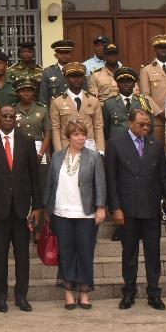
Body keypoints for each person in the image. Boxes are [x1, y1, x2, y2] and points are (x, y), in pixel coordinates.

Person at [104, 109, 166, 310]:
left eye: (148, 125)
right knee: (129, 254)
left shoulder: (155, 144)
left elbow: (163, 177)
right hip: (127, 209)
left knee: (153, 253)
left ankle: (154, 293)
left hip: (150, 208)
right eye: (141, 124)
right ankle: (129, 292)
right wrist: (115, 208)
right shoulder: (116, 144)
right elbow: (112, 179)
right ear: (129, 123)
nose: (145, 128)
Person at [0, 105, 42, 312]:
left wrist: (38, 207)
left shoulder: (27, 142)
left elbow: (35, 177)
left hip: (22, 209)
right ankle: (0, 296)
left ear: (16, 119)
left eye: (11, 116)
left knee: (23, 256)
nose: (8, 119)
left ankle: (21, 296)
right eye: (4, 116)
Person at [44, 121, 105, 310]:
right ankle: (68, 293)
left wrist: (101, 207)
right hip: (61, 212)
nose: (80, 138)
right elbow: (50, 184)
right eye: (76, 135)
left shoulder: (93, 157)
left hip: (85, 213)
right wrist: (46, 208)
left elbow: (100, 184)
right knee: (66, 253)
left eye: (83, 135)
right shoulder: (56, 157)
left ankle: (84, 293)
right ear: (68, 137)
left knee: (85, 253)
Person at [50, 62, 105, 153]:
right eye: (72, 76)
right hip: (66, 148)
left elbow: (98, 127)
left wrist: (100, 151)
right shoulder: (57, 102)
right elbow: (56, 129)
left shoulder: (93, 100)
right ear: (66, 79)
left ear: (84, 78)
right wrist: (58, 152)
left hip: (89, 147)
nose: (76, 79)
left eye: (79, 76)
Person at [102, 67, 154, 142]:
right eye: (122, 82)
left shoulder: (143, 101)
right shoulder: (109, 103)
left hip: (139, 142)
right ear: (117, 84)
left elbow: (150, 125)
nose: (125, 84)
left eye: (129, 82)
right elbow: (106, 130)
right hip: (117, 144)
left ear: (134, 84)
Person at [38, 39, 74, 106]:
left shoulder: (77, 71)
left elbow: (85, 94)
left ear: (70, 55)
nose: (64, 55)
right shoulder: (48, 72)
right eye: (61, 53)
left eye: (66, 53)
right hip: (55, 111)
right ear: (55, 55)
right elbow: (43, 98)